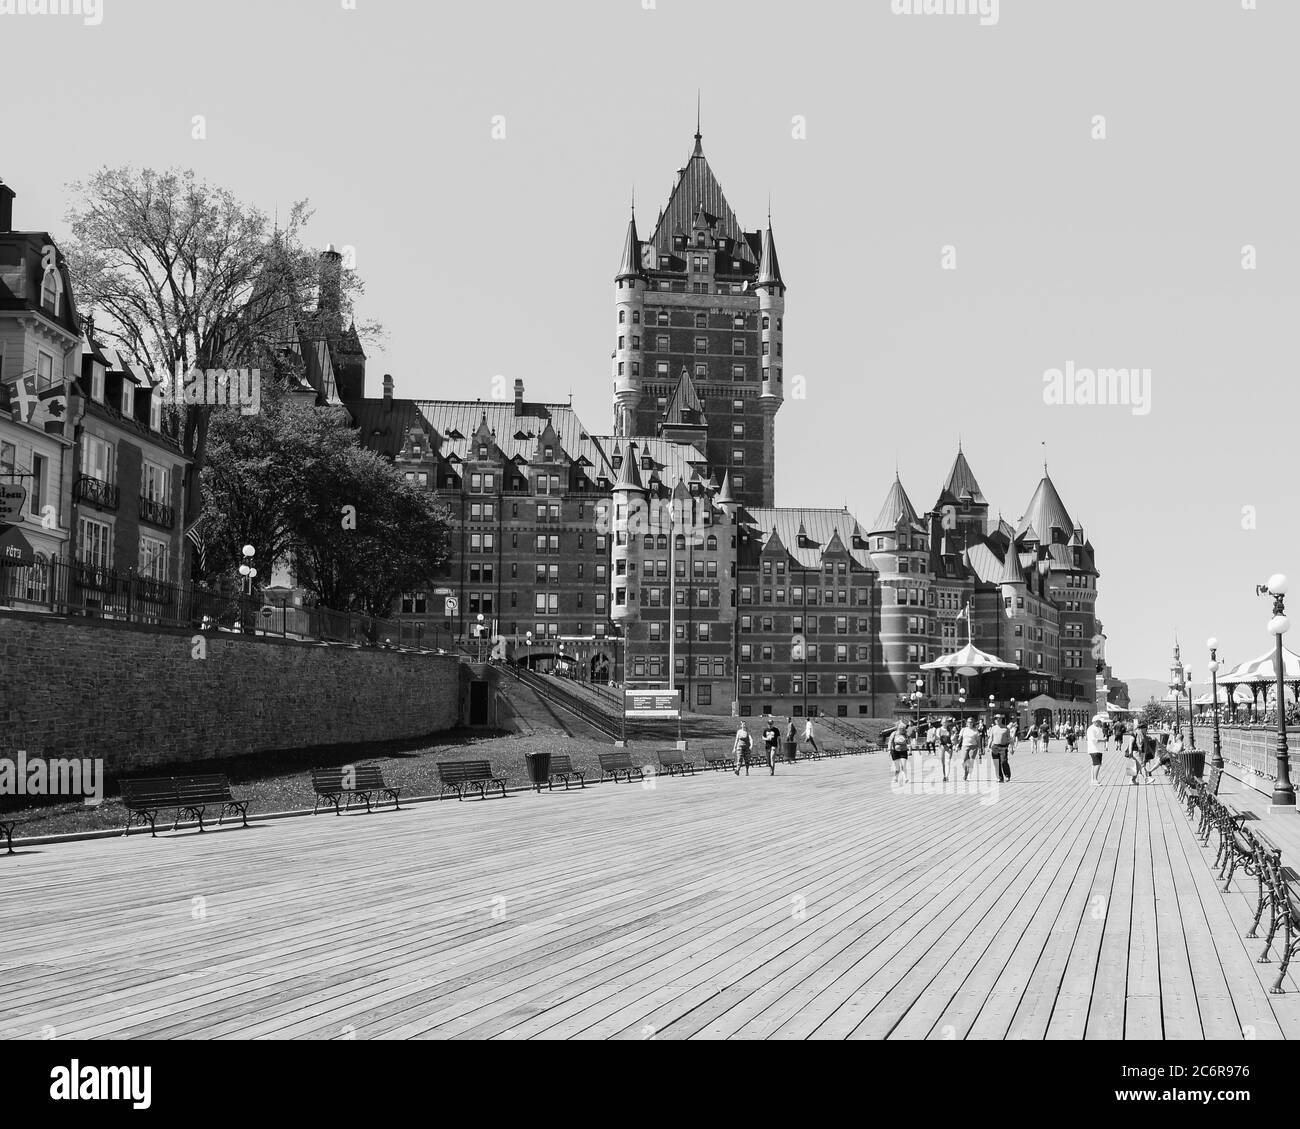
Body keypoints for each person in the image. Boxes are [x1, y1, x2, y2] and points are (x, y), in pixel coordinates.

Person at [989, 714, 1012, 781]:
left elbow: (1009, 738)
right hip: (995, 747)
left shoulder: (1006, 728)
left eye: (999, 719)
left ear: (1001, 719)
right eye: (996, 719)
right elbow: (991, 738)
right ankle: (1000, 777)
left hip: (1003, 747)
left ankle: (1007, 775)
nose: (998, 720)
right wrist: (988, 746)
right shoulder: (993, 728)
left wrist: (1011, 747)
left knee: (1003, 761)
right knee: (996, 763)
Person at [888, 720, 911, 785]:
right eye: (902, 729)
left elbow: (908, 743)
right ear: (898, 728)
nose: (903, 730)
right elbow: (890, 742)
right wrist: (889, 750)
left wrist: (910, 750)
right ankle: (896, 778)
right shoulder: (894, 733)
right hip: (895, 751)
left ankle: (906, 778)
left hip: (903, 751)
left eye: (904, 729)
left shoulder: (905, 734)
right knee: (897, 768)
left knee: (903, 766)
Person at [1085, 715, 1106, 786]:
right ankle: (1095, 780)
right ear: (1096, 721)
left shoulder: (1098, 728)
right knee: (1097, 764)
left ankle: (1093, 779)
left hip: (1099, 749)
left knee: (1096, 764)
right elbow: (1093, 739)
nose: (1101, 723)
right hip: (1094, 749)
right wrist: (1102, 740)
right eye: (1100, 722)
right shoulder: (1091, 729)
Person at [959, 717, 981, 781]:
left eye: (971, 722)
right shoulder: (963, 729)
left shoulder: (975, 730)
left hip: (973, 747)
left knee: (971, 761)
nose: (970, 723)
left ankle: (967, 773)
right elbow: (960, 738)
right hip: (964, 746)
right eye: (968, 722)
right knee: (964, 761)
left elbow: (978, 740)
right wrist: (957, 745)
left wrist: (980, 749)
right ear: (966, 723)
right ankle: (966, 772)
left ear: (973, 723)